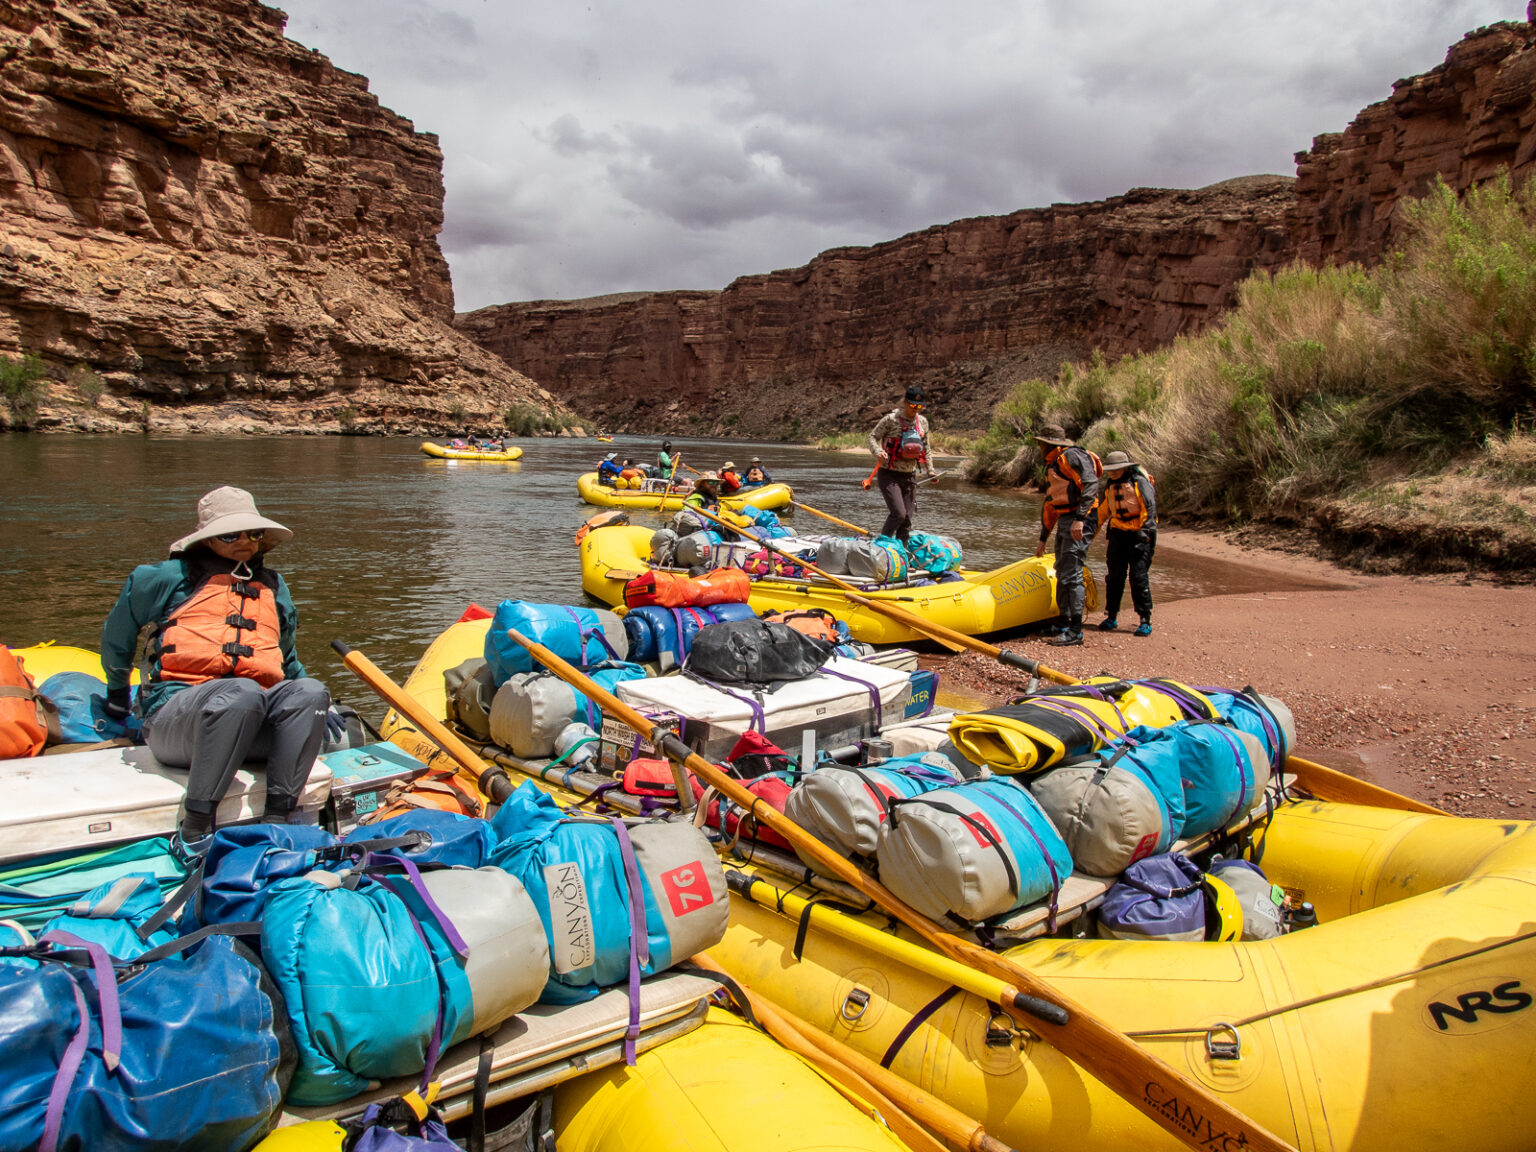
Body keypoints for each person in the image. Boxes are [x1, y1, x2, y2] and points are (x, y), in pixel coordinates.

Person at [100, 487, 330, 859]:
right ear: (207, 538)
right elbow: (117, 640)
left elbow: (286, 658)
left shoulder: (273, 586)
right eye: (230, 534)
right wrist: (116, 699)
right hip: (179, 724)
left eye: (253, 533)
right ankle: (193, 831)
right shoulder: (164, 578)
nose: (245, 542)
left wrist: (321, 709)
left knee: (311, 691)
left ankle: (278, 823)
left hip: (250, 724)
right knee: (240, 692)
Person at [1032, 424, 1100, 647]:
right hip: (1066, 519)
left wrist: (1080, 518)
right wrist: (1043, 538)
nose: (1040, 447)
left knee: (1072, 574)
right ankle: (1063, 623)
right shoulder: (1054, 464)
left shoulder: (1072, 456)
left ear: (1050, 444)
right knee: (1062, 570)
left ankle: (1075, 631)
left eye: (1042, 443)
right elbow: (1050, 504)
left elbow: (1091, 484)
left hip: (1080, 518)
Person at [1095, 450, 1157, 636]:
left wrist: (1145, 533)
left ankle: (1144, 619)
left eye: (1116, 469)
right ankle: (1111, 616)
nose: (1113, 472)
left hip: (1140, 535)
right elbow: (1102, 512)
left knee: (1138, 577)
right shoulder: (1110, 485)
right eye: (1110, 469)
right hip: (1117, 534)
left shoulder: (1139, 482)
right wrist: (1088, 534)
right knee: (1114, 577)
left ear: (1125, 468)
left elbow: (1149, 508)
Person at [866, 386, 938, 544]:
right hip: (889, 475)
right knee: (898, 514)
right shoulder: (891, 420)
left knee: (907, 520)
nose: (915, 409)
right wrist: (878, 452)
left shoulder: (923, 422)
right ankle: (881, 547)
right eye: (912, 405)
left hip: (910, 476)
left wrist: (931, 471)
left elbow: (927, 448)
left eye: (919, 406)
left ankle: (902, 552)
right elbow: (872, 437)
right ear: (905, 402)